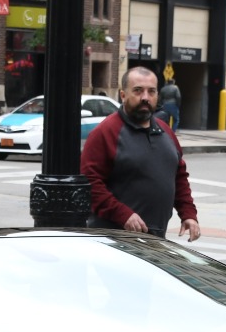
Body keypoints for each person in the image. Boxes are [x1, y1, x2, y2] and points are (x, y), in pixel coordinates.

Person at [82, 65, 200, 241]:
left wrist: (188, 214)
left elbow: (179, 176)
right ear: (123, 95)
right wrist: (123, 215)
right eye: (138, 91)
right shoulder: (105, 132)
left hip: (156, 239)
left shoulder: (166, 132)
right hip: (114, 239)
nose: (145, 97)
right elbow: (89, 182)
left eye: (151, 91)